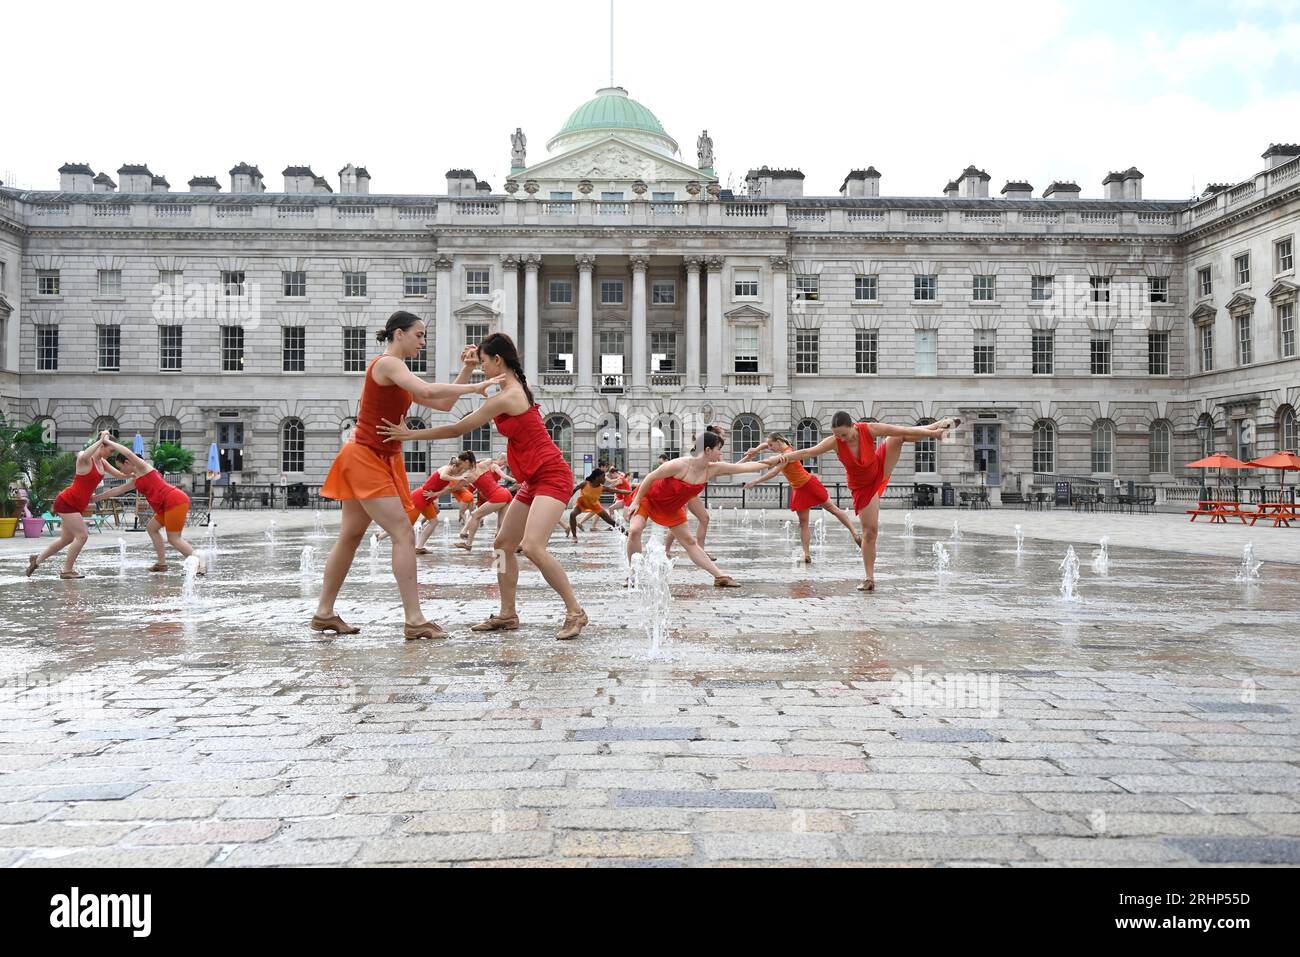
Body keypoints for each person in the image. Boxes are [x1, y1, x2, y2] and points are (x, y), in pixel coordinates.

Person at [378, 332, 588, 640]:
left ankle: (575, 612)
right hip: (534, 479)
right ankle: (507, 613)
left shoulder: (509, 395)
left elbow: (458, 428)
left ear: (498, 361)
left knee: (531, 546)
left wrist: (410, 435)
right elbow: (465, 393)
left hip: (553, 475)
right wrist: (470, 363)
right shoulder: (508, 388)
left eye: (485, 363)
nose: (482, 370)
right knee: (503, 544)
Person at [312, 313, 502, 640]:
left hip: (374, 457)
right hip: (366, 458)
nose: (423, 341)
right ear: (398, 334)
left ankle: (323, 613)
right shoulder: (387, 364)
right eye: (419, 335)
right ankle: (414, 620)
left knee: (352, 536)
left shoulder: (398, 371)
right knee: (402, 532)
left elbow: (440, 403)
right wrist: (477, 384)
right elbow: (427, 389)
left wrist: (468, 370)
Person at [773, 412, 959, 591]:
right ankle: (869, 578)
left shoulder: (868, 429)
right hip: (862, 487)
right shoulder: (835, 442)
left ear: (853, 426)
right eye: (837, 435)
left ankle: (936, 430)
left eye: (844, 434)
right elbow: (807, 452)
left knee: (898, 436)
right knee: (870, 532)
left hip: (878, 466)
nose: (842, 439)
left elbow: (899, 429)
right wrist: (785, 457)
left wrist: (932, 433)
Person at [626, 431, 778, 586]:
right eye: (718, 449)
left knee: (690, 542)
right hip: (648, 498)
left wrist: (775, 460)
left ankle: (720, 577)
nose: (720, 452)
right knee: (635, 530)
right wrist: (636, 501)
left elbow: (744, 468)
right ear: (707, 450)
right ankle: (632, 576)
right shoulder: (679, 464)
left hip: (671, 507)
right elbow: (650, 477)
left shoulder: (713, 468)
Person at [90, 435, 206, 576]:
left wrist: (106, 441)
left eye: (120, 468)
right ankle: (161, 563)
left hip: (174, 500)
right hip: (166, 505)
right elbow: (117, 490)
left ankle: (200, 562)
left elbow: (127, 452)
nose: (121, 472)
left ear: (127, 462)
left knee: (174, 538)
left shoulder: (143, 467)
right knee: (151, 528)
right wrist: (95, 498)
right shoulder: (136, 479)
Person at [741, 432, 862, 562]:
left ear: (778, 441)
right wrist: (757, 449)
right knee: (804, 523)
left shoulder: (787, 454)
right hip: (799, 488)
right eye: (769, 445)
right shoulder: (784, 447)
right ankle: (806, 554)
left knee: (832, 509)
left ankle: (855, 534)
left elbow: (774, 472)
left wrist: (755, 481)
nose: (770, 448)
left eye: (772, 445)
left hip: (809, 484)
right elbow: (766, 444)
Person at [26, 433, 125, 579]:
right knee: (82, 536)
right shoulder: (85, 459)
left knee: (66, 539)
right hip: (68, 502)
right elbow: (84, 455)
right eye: (110, 450)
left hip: (75, 505)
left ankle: (37, 560)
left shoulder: (102, 463)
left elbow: (121, 476)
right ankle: (67, 570)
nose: (111, 454)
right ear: (101, 445)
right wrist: (101, 440)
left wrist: (136, 473)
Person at [374, 452, 476, 553]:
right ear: (454, 465)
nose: (458, 472)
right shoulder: (447, 468)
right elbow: (443, 477)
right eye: (457, 470)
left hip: (427, 498)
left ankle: (419, 547)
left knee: (434, 522)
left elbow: (447, 488)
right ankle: (379, 537)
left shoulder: (454, 471)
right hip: (420, 497)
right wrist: (457, 478)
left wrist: (435, 496)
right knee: (406, 525)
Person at [666, 426, 724, 560]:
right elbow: (725, 467)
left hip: (691, 491)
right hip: (687, 489)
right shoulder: (705, 451)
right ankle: (668, 550)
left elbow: (727, 468)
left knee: (702, 518)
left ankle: (698, 551)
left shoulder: (710, 450)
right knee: (682, 520)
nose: (724, 437)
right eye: (722, 435)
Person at [456, 455, 515, 551]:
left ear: (467, 462)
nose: (461, 466)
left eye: (462, 463)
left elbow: (454, 486)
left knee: (475, 515)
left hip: (496, 496)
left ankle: (468, 543)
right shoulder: (484, 464)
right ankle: (510, 545)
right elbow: (490, 460)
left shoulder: (470, 474)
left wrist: (438, 492)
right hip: (504, 493)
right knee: (500, 524)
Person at [566, 469, 621, 538]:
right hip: (590, 500)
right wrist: (616, 480)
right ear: (603, 467)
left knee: (597, 511)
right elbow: (609, 481)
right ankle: (583, 525)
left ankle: (579, 525)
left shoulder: (602, 475)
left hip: (593, 499)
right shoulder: (602, 474)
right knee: (596, 511)